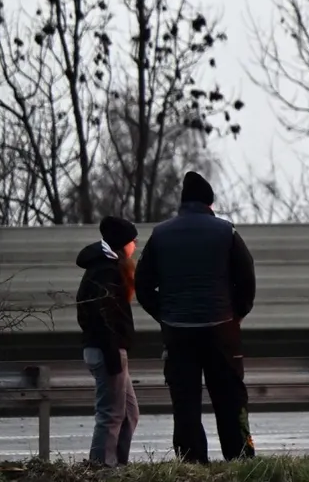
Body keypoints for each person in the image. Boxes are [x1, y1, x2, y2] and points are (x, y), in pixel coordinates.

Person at [135, 171, 258, 463]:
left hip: (178, 333)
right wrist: (236, 313)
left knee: (185, 403)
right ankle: (240, 459)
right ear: (209, 203)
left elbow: (142, 284)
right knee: (230, 398)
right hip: (221, 331)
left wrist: (165, 314)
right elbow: (247, 278)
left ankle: (192, 465)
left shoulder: (161, 234)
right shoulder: (226, 232)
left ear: (183, 202)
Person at [76, 216, 141, 467]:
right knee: (111, 414)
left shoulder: (108, 267)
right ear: (121, 244)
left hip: (109, 349)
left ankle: (117, 465)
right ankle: (101, 468)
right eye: (131, 240)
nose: (135, 244)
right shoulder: (104, 271)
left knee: (129, 413)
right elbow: (99, 316)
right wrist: (112, 351)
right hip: (106, 350)